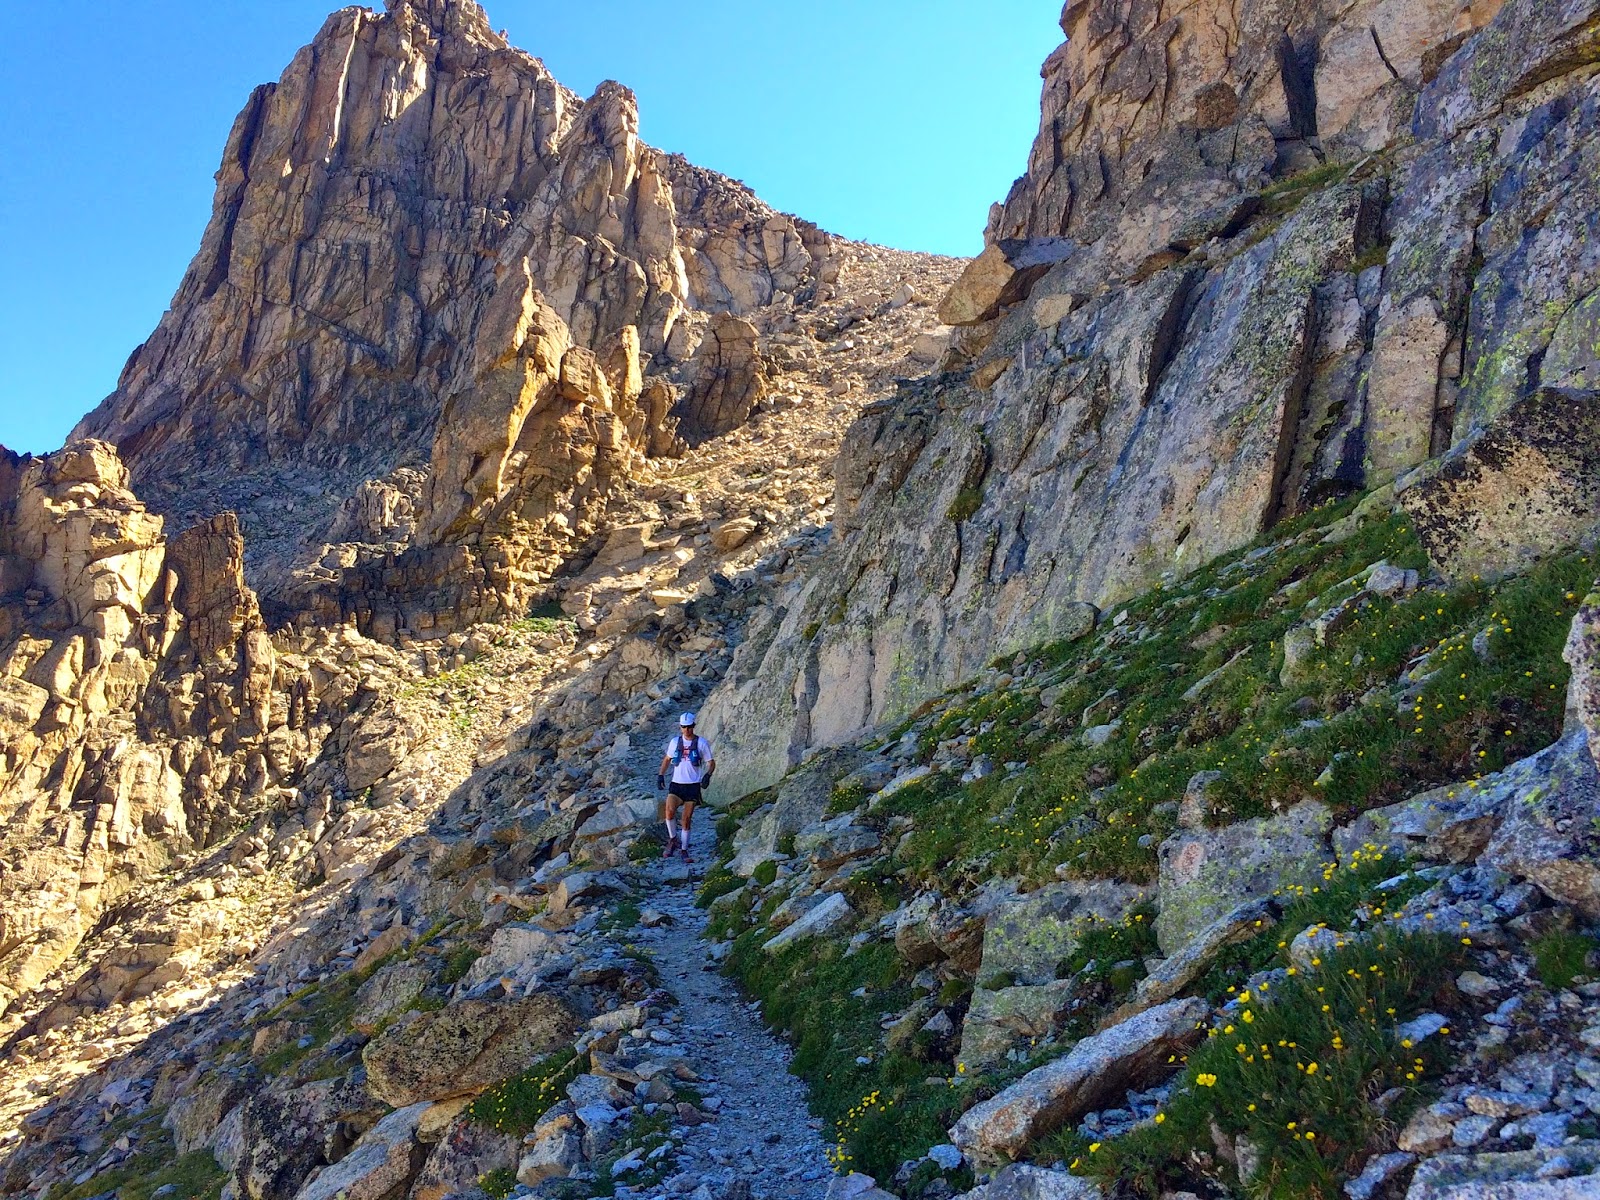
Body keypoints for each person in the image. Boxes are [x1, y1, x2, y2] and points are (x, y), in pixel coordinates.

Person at [657, 712, 714, 862]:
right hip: (676, 784)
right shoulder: (675, 742)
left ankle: (684, 849)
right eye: (684, 727)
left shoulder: (702, 743)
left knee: (686, 819)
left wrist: (708, 775)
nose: (687, 730)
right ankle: (673, 839)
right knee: (669, 812)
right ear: (680, 727)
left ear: (693, 726)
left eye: (689, 727)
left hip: (692, 786)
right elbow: (667, 759)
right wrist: (661, 775)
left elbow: (711, 762)